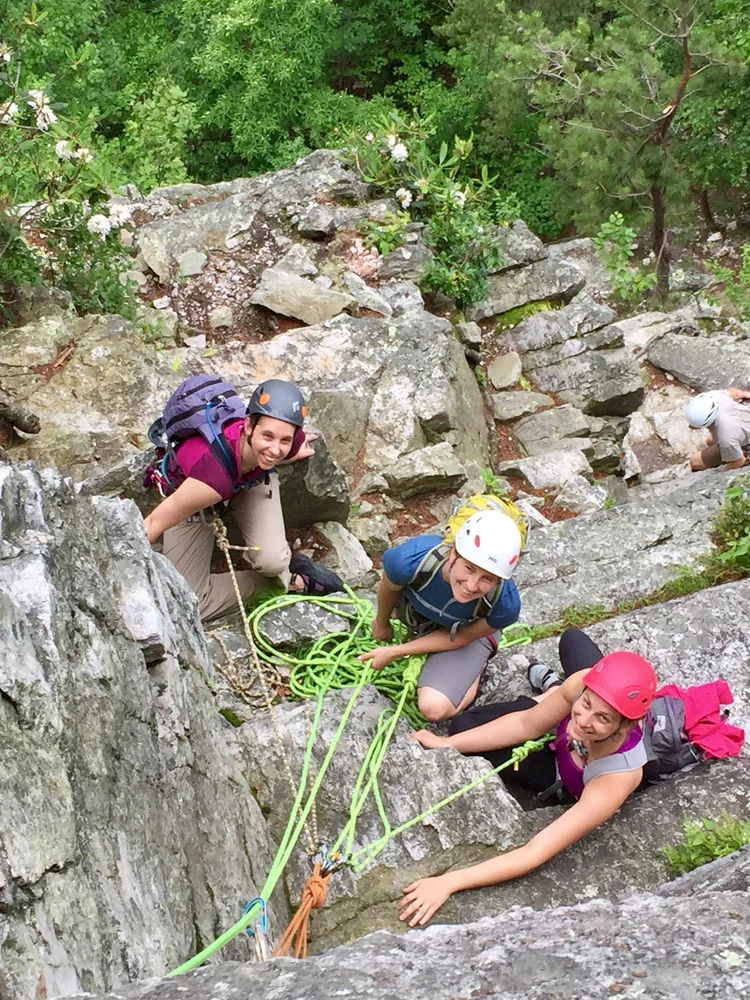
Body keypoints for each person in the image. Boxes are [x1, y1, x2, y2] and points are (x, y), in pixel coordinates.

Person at [398, 628, 657, 927]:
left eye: (603, 718)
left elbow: (535, 852)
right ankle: (554, 694)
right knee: (572, 639)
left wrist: (449, 882)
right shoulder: (582, 684)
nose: (585, 721)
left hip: (562, 771)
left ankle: (551, 695)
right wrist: (444, 744)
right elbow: (526, 725)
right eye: (586, 705)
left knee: (468, 728)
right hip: (564, 730)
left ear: (624, 725)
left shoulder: (618, 776)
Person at [143, 378, 343, 620]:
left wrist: (287, 454)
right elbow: (153, 523)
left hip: (245, 479)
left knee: (272, 561)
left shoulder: (285, 439)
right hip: (196, 490)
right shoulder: (212, 476)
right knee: (191, 600)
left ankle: (292, 574)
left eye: (285, 441)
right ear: (248, 426)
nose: (276, 449)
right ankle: (277, 586)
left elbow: (279, 446)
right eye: (267, 437)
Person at [358, 510, 522, 723]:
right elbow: (388, 588)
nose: (471, 586)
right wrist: (382, 623)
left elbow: (461, 637)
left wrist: (395, 651)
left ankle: (475, 671)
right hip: (420, 617)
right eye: (469, 568)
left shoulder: (505, 605)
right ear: (453, 554)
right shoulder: (410, 559)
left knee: (433, 708)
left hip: (465, 634)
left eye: (487, 578)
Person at [686, 389, 750, 472]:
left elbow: (739, 461)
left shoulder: (725, 437)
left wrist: (720, 474)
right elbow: (736, 393)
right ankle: (732, 451)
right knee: (709, 441)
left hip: (741, 438)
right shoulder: (713, 397)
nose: (690, 427)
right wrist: (746, 394)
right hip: (742, 424)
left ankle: (739, 451)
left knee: (695, 462)